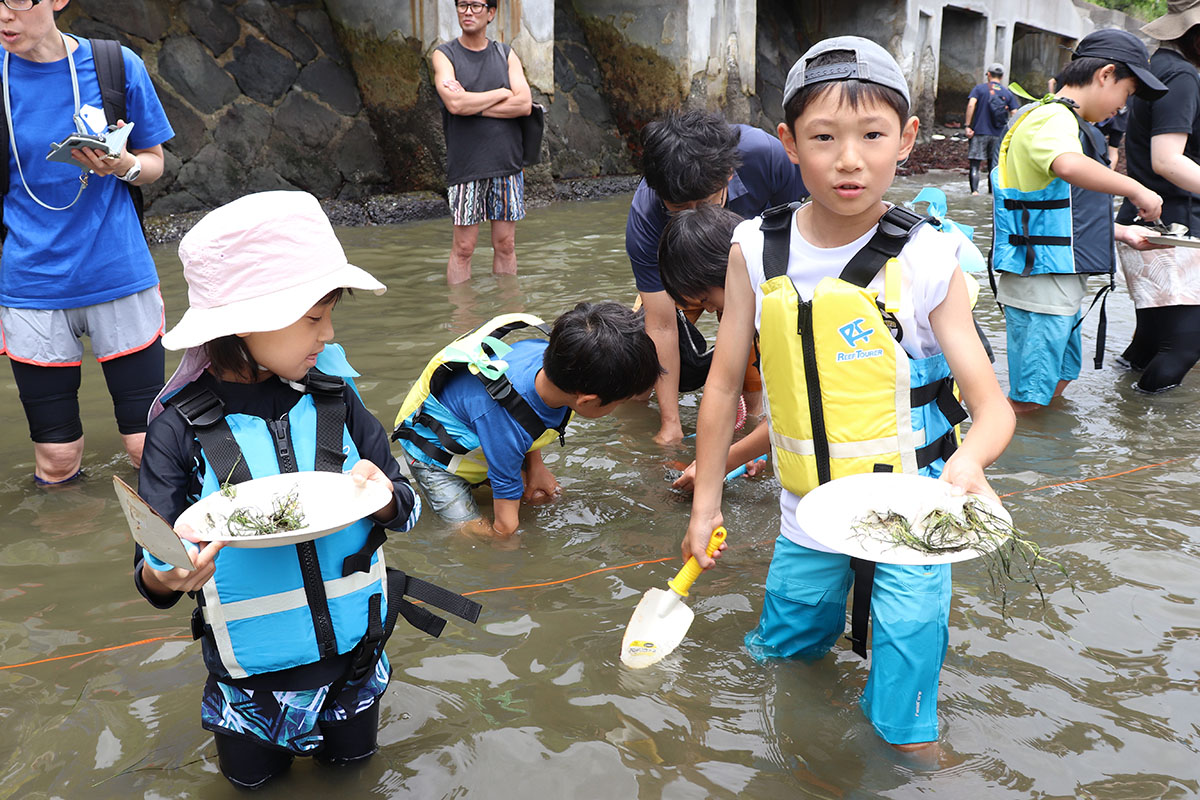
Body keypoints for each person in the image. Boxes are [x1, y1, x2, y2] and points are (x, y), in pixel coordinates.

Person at [680, 36, 1016, 751]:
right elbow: (718, 387)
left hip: (913, 514)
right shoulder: (752, 248)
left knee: (903, 718)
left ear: (908, 140)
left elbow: (992, 410)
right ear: (788, 144)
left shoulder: (929, 259)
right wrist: (707, 500)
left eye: (872, 135)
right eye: (824, 138)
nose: (849, 159)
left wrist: (968, 464)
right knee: (780, 661)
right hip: (806, 512)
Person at [133, 192, 470, 790]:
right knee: (253, 788)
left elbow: (406, 507)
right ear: (246, 321)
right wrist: (166, 574)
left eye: (329, 314)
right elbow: (152, 566)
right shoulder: (178, 428)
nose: (329, 332)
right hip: (249, 690)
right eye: (313, 318)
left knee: (355, 777)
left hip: (355, 667)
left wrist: (385, 493)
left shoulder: (336, 398)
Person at [0, 0, 173, 485]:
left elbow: (154, 162)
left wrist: (123, 165)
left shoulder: (114, 64)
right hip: (32, 284)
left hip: (118, 272)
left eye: (15, 0)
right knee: (56, 457)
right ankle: (65, 547)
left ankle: (165, 556)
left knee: (147, 445)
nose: (4, 16)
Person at [992, 28, 1168, 412]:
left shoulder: (1064, 122)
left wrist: (1121, 232)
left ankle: (1041, 463)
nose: (1122, 107)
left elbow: (1061, 213)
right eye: (1127, 92)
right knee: (1029, 397)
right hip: (1039, 282)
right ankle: (1009, 464)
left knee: (1058, 378)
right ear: (1105, 75)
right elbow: (1069, 166)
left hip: (1055, 278)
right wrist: (1136, 189)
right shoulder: (1052, 118)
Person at [393, 302, 661, 544]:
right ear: (587, 401)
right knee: (477, 531)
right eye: (619, 402)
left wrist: (537, 466)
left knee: (539, 495)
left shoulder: (553, 357)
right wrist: (508, 549)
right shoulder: (503, 421)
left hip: (484, 428)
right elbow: (506, 525)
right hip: (432, 458)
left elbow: (527, 415)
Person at [626, 110, 807, 445]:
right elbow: (662, 324)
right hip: (682, 272)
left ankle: (751, 423)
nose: (695, 215)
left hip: (753, 259)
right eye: (679, 209)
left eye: (706, 202)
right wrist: (670, 424)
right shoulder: (646, 218)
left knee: (757, 335)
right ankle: (641, 419)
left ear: (727, 176)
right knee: (638, 362)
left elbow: (798, 235)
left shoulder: (768, 157)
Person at [1114, 3, 1200, 392]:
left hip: (1147, 222)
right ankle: (1148, 438)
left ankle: (1121, 412)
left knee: (1151, 341)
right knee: (1184, 346)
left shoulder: (1159, 67)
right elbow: (1167, 160)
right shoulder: (1182, 75)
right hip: (1175, 229)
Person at [656, 204, 770, 490]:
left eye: (706, 298)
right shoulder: (760, 289)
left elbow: (801, 413)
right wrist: (751, 448)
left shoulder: (785, 306)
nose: (707, 310)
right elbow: (723, 389)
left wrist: (727, 459)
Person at [432, 0, 532, 284]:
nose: (468, 12)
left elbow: (524, 104)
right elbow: (454, 103)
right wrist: (502, 92)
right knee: (463, 248)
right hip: (466, 166)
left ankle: (507, 313)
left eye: (476, 5)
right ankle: (463, 318)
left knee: (506, 244)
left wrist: (472, 103)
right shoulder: (444, 55)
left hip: (507, 164)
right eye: (463, 5)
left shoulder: (505, 53)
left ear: (491, 13)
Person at [964, 63, 1017, 195]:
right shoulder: (1007, 93)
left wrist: (967, 126)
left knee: (975, 164)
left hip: (980, 132)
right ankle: (991, 193)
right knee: (993, 167)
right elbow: (1015, 113)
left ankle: (974, 192)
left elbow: (971, 105)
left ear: (988, 74)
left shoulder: (979, 89)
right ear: (1002, 76)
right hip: (998, 135)